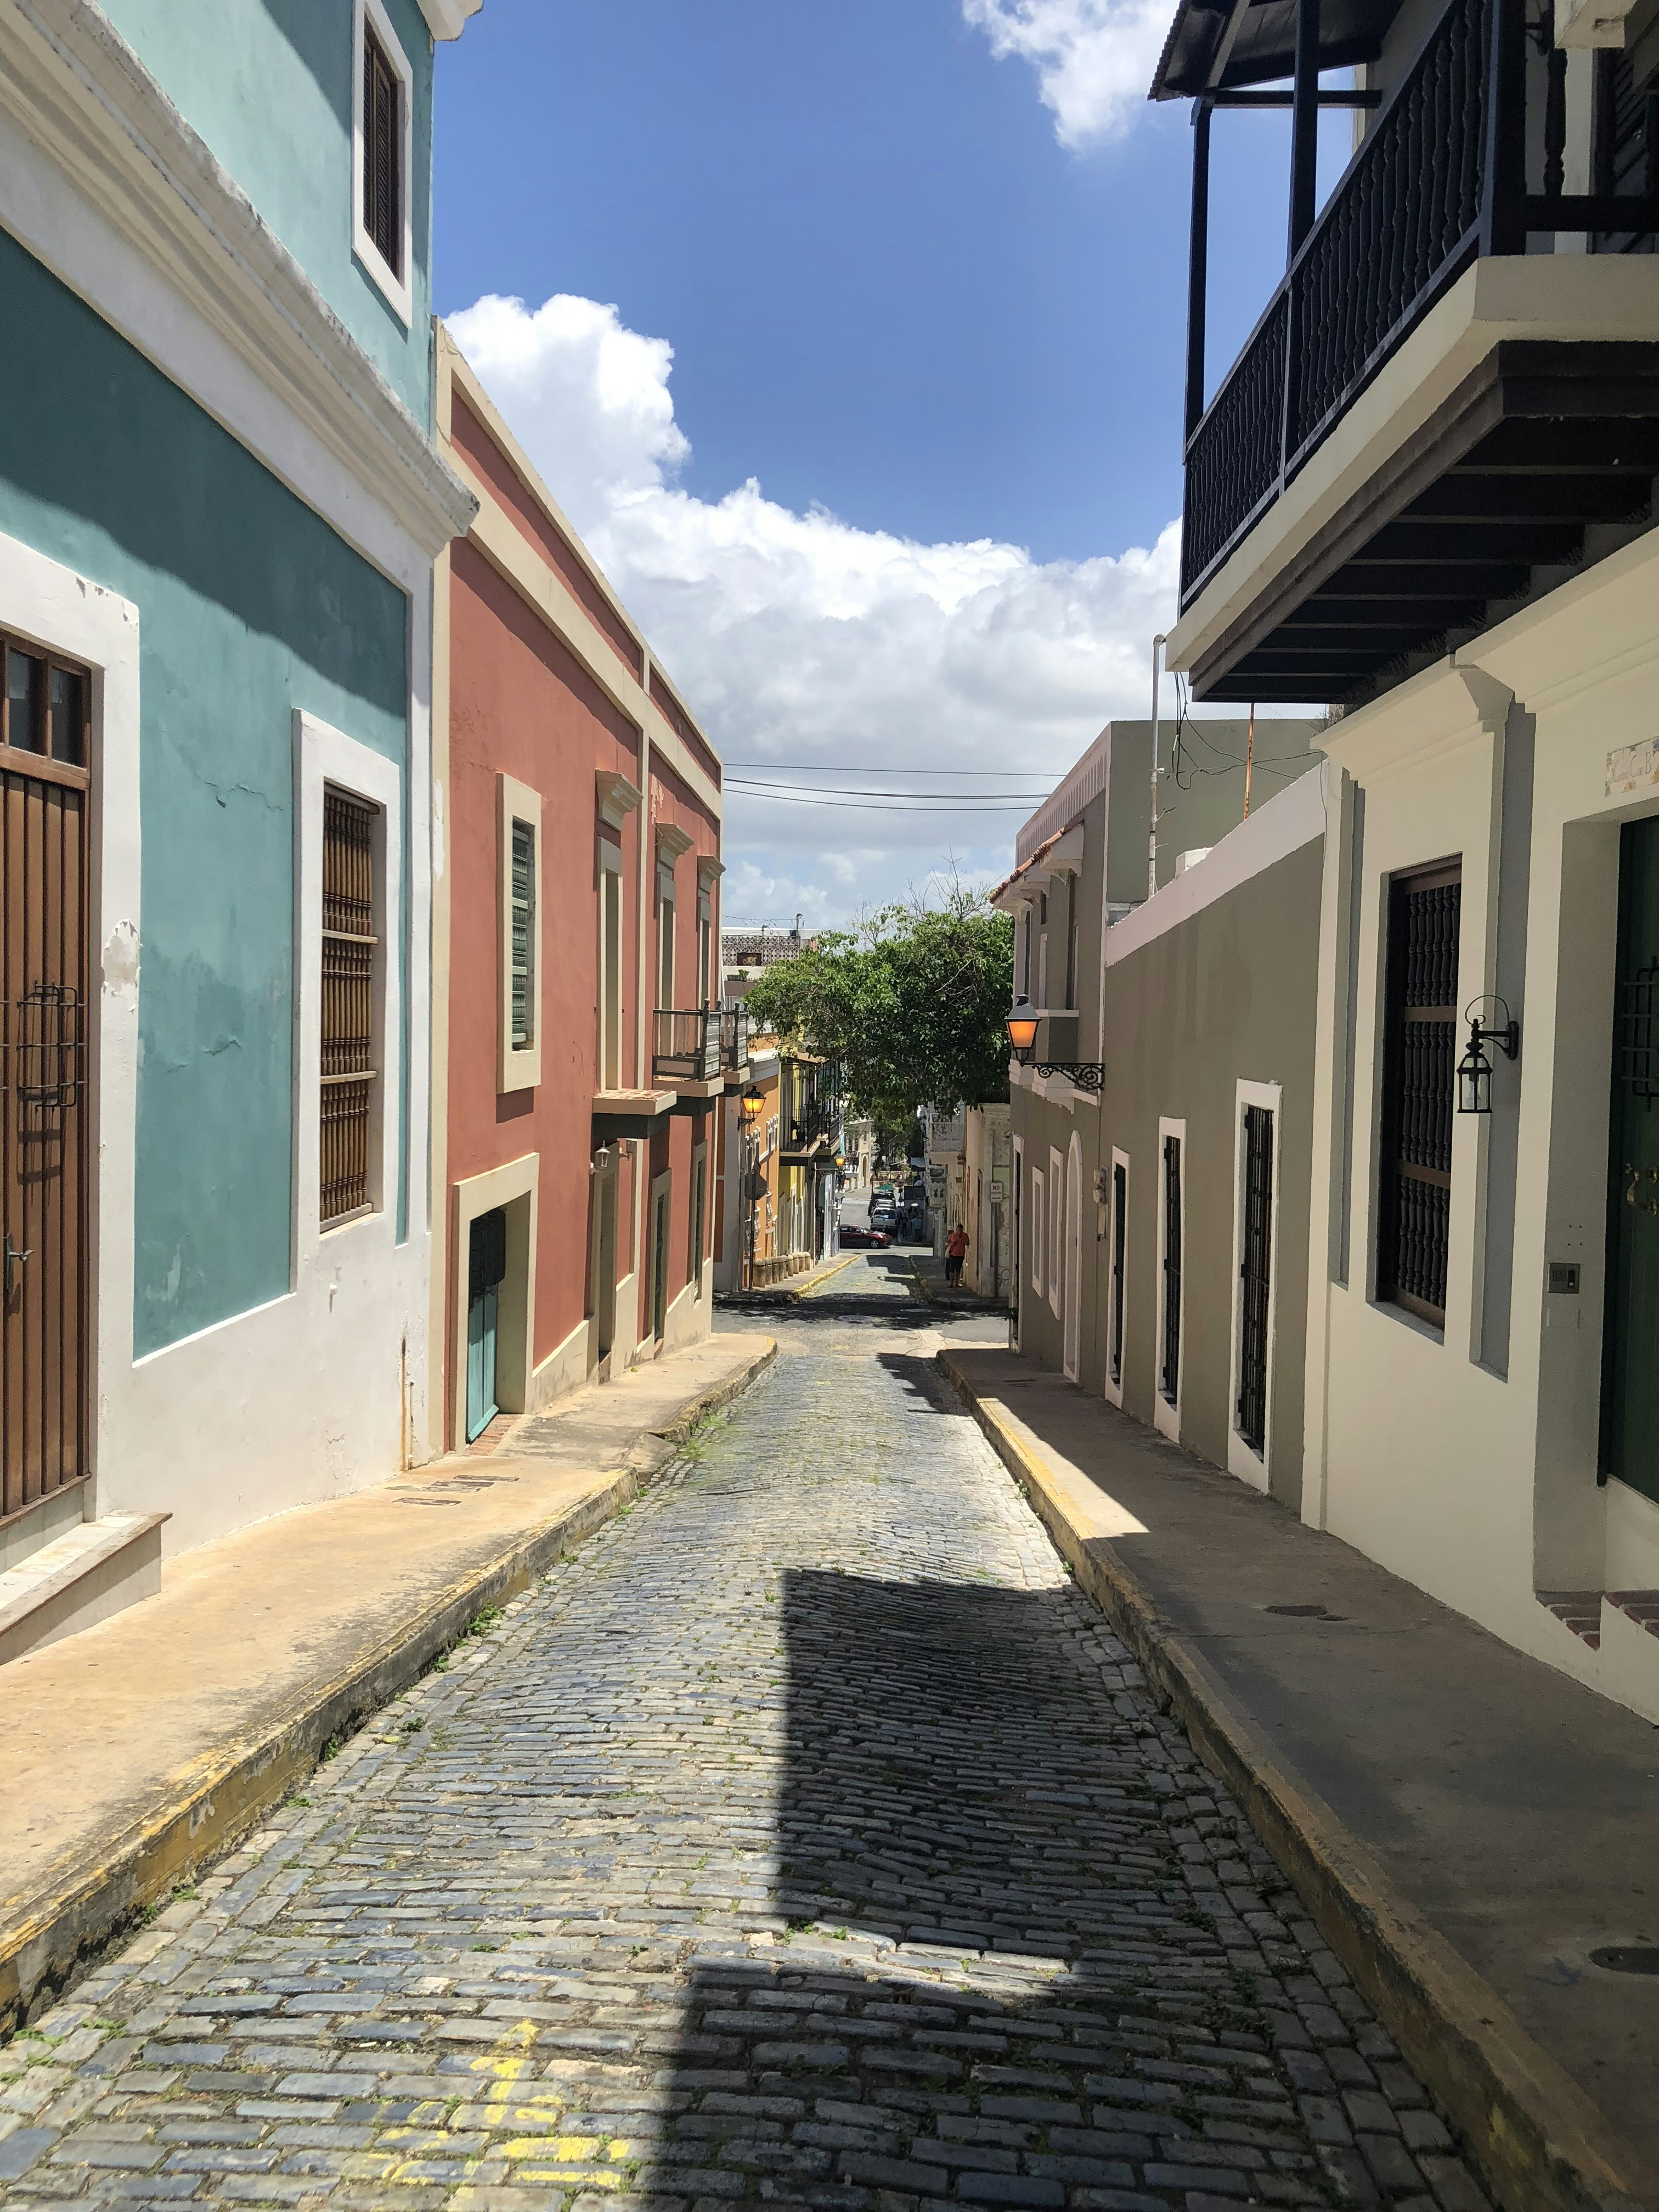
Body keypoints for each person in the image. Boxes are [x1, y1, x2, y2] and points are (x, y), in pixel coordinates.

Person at [945, 1222, 968, 1288]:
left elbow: (968, 1243)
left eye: (961, 1231)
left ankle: (957, 1283)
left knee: (958, 1269)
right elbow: (948, 1242)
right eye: (958, 1230)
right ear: (957, 1230)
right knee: (952, 1269)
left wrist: (963, 1240)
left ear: (963, 1230)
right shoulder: (953, 1235)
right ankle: (951, 1283)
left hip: (961, 1255)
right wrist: (952, 1244)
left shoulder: (965, 1236)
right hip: (953, 1254)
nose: (960, 1232)